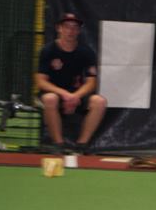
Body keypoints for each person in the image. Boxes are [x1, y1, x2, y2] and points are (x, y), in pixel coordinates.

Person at [35, 13, 108, 153]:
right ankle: (59, 144)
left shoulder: (86, 52)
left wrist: (75, 96)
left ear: (79, 31)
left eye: (75, 27)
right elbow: (41, 82)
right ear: (59, 28)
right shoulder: (48, 50)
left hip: (77, 95)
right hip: (55, 94)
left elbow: (92, 82)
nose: (70, 31)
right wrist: (65, 94)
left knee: (99, 101)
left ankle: (81, 145)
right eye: (67, 27)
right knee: (50, 98)